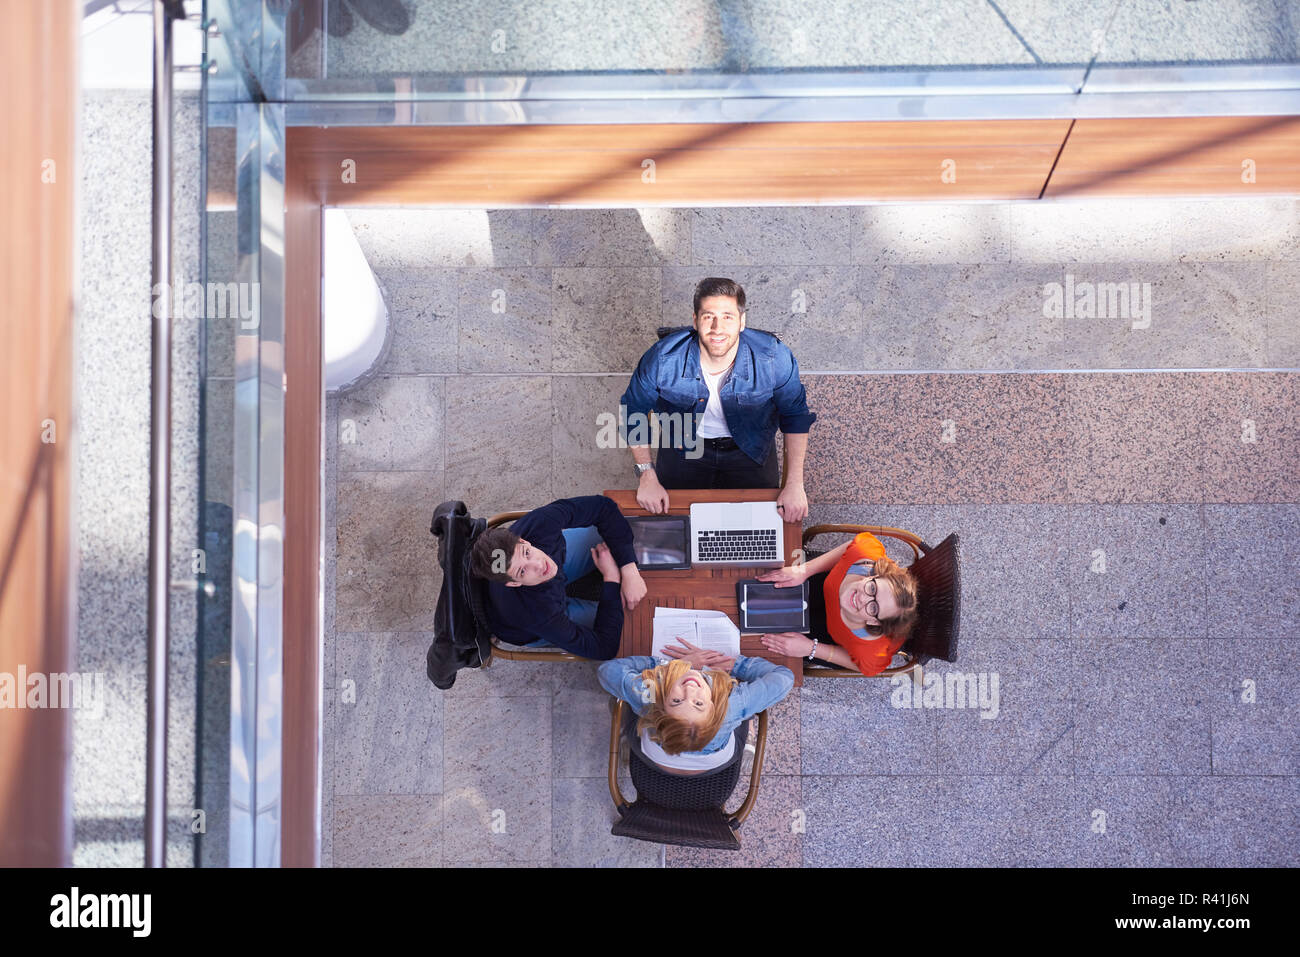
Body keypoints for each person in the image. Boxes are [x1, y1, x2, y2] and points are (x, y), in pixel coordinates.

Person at [620, 277, 816, 521]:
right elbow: (633, 412)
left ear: (742, 322)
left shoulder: (773, 357)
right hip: (684, 450)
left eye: (727, 317)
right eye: (708, 316)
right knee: (676, 532)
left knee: (757, 532)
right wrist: (647, 475)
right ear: (695, 320)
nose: (717, 328)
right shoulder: (662, 358)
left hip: (750, 450)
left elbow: (795, 418)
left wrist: (795, 485)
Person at [469, 495, 647, 660]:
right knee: (630, 621)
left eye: (527, 553)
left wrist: (629, 569)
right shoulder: (537, 615)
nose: (539, 565)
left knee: (609, 533)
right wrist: (612, 578)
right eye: (522, 571)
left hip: (543, 588)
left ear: (523, 540)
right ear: (513, 583)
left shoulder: (539, 524)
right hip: (527, 619)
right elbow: (603, 648)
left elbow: (603, 507)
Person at [598, 640, 794, 774]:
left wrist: (666, 664)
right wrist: (737, 665)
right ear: (715, 706)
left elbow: (607, 671)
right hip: (713, 761)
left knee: (628, 708)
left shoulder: (650, 696)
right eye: (698, 704)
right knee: (745, 709)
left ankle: (627, 736)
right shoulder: (731, 705)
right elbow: (784, 678)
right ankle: (749, 733)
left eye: (677, 701)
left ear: (661, 706)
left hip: (655, 755)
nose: (690, 689)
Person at [756, 531, 919, 675]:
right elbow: (853, 544)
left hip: (828, 634)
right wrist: (804, 570)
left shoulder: (871, 652)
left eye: (873, 607)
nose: (861, 598)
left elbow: (868, 668)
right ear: (873, 576)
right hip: (825, 587)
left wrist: (810, 648)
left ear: (874, 621)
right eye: (872, 588)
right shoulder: (864, 554)